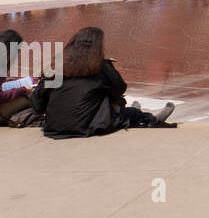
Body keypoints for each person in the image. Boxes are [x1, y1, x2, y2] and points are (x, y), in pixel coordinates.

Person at [30, 27, 175, 138]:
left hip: (54, 126)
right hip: (87, 125)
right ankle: (151, 119)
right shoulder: (100, 67)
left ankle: (134, 113)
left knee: (105, 98)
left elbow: (37, 103)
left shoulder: (56, 67)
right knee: (129, 112)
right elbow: (120, 89)